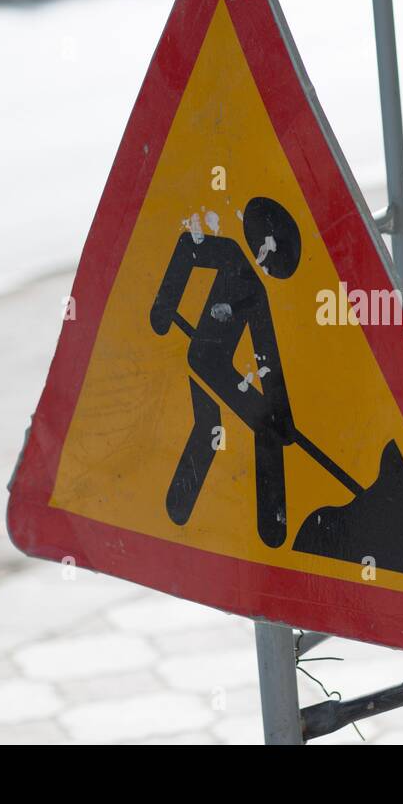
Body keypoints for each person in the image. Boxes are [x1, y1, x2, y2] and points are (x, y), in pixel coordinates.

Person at [149, 197, 301, 548]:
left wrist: (285, 416)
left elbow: (268, 357)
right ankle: (262, 526)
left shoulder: (258, 293)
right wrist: (162, 309)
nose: (267, 256)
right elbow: (188, 249)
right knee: (253, 427)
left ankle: (267, 528)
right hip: (204, 359)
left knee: (217, 428)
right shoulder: (230, 254)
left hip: (214, 365)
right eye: (267, 246)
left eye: (273, 254)